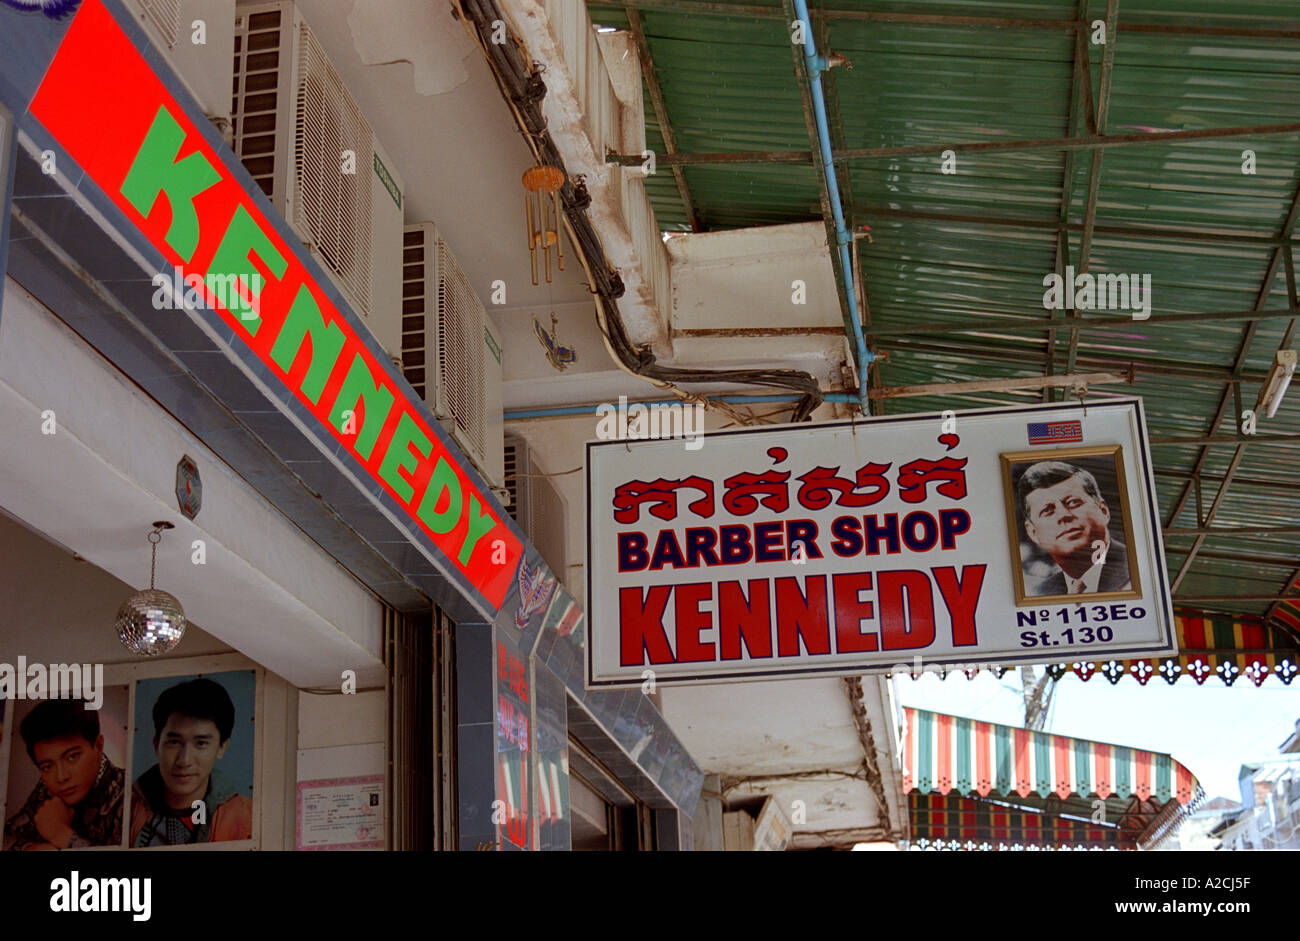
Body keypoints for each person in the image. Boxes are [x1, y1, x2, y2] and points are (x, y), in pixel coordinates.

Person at [130, 678, 252, 846]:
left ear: (222, 747)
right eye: (174, 742)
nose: (184, 760)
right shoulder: (122, 811)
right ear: (156, 744)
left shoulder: (249, 817)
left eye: (201, 743)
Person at [3, 700, 125, 850]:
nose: (61, 777)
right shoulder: (46, 788)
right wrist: (32, 848)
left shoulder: (130, 795)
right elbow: (6, 835)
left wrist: (61, 835)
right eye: (47, 766)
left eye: (72, 757)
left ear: (98, 746)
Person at [1015, 460, 1132, 597]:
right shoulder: (1039, 594)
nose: (1064, 515)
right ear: (1033, 533)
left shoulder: (1135, 569)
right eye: (1047, 511)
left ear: (1103, 511)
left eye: (1074, 502)